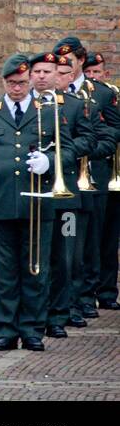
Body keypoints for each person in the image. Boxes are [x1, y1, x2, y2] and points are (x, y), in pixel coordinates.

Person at [0, 54, 59, 351]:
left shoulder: (48, 110)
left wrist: (50, 161)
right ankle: (5, 329)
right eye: (10, 83)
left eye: (20, 82)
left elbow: (66, 150)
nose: (16, 88)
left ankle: (32, 329)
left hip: (37, 203)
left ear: (30, 79)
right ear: (3, 83)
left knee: (35, 270)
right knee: (3, 272)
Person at [53, 36, 120, 318]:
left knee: (94, 239)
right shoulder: (53, 95)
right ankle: (72, 297)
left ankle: (90, 293)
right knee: (70, 240)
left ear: (81, 61)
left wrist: (89, 152)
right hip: (65, 179)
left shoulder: (101, 93)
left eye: (69, 63)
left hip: (93, 175)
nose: (63, 68)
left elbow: (113, 132)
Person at [31, 52, 90, 338]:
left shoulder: (74, 106)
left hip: (64, 194)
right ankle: (35, 314)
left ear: (59, 75)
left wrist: (57, 157)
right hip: (32, 193)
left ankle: (58, 315)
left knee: (63, 258)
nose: (42, 76)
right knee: (35, 258)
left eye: (48, 71)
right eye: (37, 71)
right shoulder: (20, 105)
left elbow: (88, 139)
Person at [83, 51, 120, 310]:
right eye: (89, 72)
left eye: (97, 72)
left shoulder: (108, 94)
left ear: (104, 74)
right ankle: (89, 290)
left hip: (107, 171)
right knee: (90, 237)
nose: (93, 77)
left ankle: (107, 291)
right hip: (89, 173)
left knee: (108, 237)